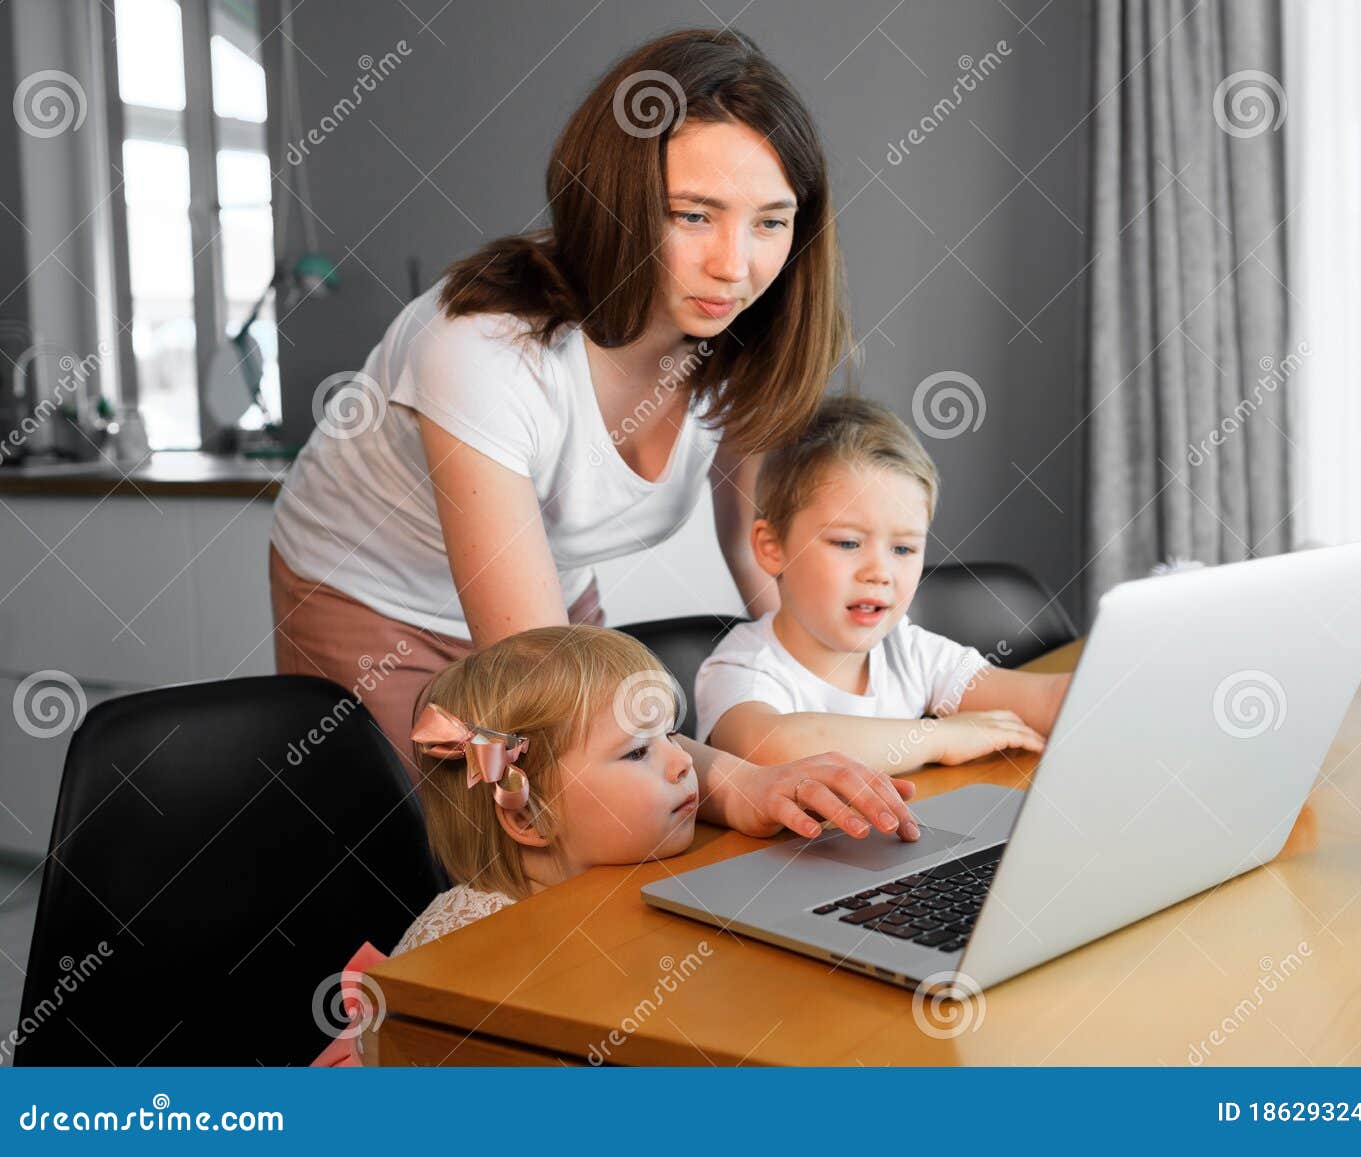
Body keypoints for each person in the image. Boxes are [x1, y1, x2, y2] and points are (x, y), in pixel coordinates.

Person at [267, 29, 892, 822]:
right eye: (694, 215)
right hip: (370, 595)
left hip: (543, 585)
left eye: (770, 222)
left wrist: (822, 688)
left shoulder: (735, 329)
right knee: (456, 850)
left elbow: (750, 541)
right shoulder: (483, 349)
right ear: (616, 202)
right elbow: (539, 678)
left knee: (600, 809)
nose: (736, 266)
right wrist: (739, 783)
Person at [391, 625, 922, 953]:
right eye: (638, 751)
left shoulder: (629, 858)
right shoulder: (457, 946)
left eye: (670, 734)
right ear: (529, 817)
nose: (682, 760)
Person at [695, 396, 1072, 772]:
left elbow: (1046, 702)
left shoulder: (909, 652)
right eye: (847, 543)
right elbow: (775, 746)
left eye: (904, 548)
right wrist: (939, 737)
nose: (879, 571)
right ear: (772, 548)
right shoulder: (741, 668)